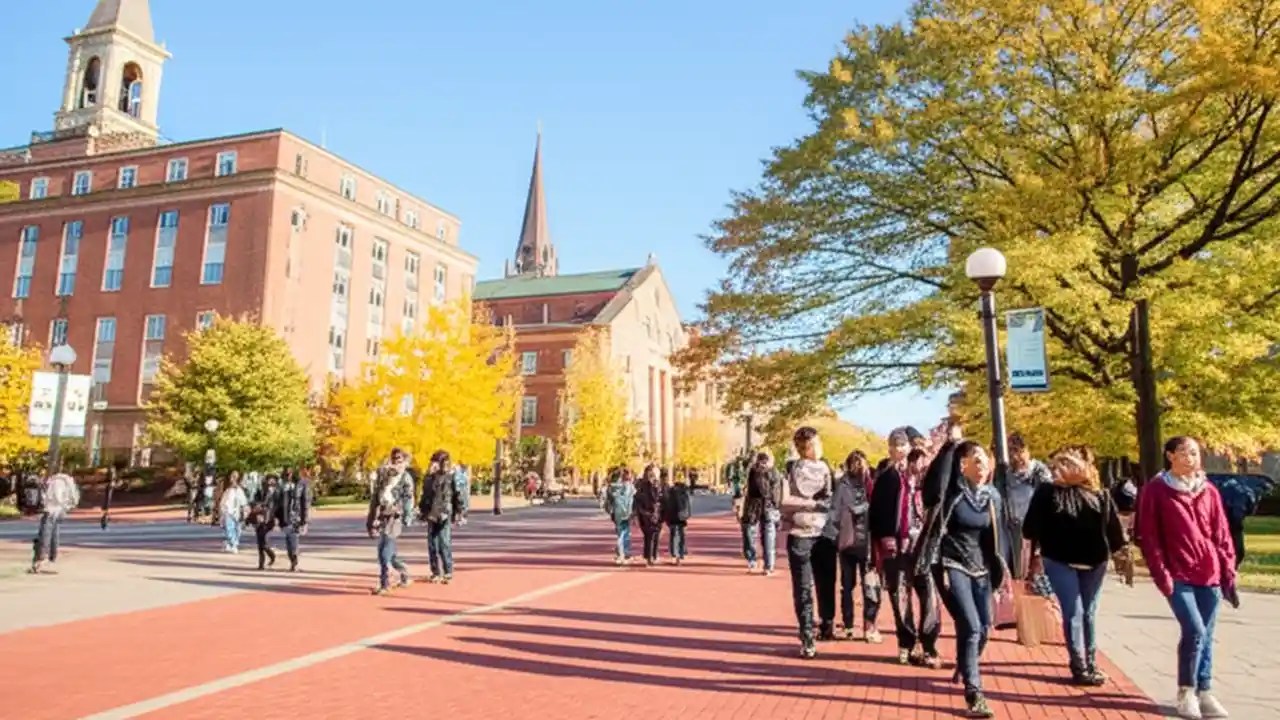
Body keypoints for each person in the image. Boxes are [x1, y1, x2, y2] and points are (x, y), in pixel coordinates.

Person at [1137, 437, 1236, 720]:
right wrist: (1162, 575)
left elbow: (1222, 534)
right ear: (1170, 456)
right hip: (1178, 575)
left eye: (1195, 453)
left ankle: (1205, 691)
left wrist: (1227, 568)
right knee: (1194, 631)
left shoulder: (1209, 491)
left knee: (1206, 635)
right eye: (1184, 452)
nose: (1191, 458)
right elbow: (1150, 537)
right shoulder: (1157, 490)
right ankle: (1186, 691)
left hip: (1210, 575)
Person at [1021, 446, 1129, 686]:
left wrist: (1121, 553)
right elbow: (1029, 529)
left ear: (1081, 469)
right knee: (1074, 612)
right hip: (1060, 560)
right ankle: (1079, 666)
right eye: (1055, 466)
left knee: (1089, 612)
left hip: (1095, 561)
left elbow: (1113, 531)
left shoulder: (1100, 495)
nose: (1056, 471)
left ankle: (1091, 662)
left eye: (1064, 465)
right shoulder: (1047, 493)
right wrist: (1038, 550)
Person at [915, 440, 1005, 719]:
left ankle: (965, 665)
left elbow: (1000, 539)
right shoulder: (953, 494)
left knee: (984, 628)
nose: (982, 466)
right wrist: (948, 448)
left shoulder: (992, 497)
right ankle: (974, 693)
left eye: (985, 461)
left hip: (982, 569)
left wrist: (1005, 572)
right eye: (975, 461)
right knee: (971, 625)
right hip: (953, 564)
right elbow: (932, 491)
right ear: (963, 465)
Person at [869, 431, 940, 667]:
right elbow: (876, 512)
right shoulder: (887, 477)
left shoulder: (928, 476)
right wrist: (883, 539)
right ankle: (906, 643)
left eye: (904, 446)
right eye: (895, 446)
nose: (901, 451)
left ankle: (928, 643)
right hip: (896, 544)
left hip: (923, 543)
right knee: (899, 594)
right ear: (889, 449)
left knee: (928, 592)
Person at [780, 426, 834, 659]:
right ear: (809, 447)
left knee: (811, 586)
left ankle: (814, 631)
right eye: (818, 443)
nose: (821, 447)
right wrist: (815, 505)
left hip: (813, 533)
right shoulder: (798, 470)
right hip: (811, 532)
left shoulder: (813, 469)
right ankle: (814, 630)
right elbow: (784, 501)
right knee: (816, 584)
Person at [831, 450, 882, 642]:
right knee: (861, 586)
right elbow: (842, 511)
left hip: (858, 542)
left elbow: (835, 512)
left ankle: (858, 625)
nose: (859, 468)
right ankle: (858, 626)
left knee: (857, 586)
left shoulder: (853, 484)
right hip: (855, 542)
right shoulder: (857, 485)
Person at [997, 433, 1052, 579]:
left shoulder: (1039, 473)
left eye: (1018, 451)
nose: (1016, 457)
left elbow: (1049, 502)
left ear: (1027, 451)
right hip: (1013, 528)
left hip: (1034, 532)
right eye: (1011, 452)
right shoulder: (1006, 474)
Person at [368, 449, 414, 595]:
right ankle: (403, 571)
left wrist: (407, 515)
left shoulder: (406, 478)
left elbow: (408, 499)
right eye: (394, 460)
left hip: (395, 517)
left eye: (400, 461)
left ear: (405, 463)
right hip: (383, 515)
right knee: (388, 553)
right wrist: (371, 519)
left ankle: (384, 583)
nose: (396, 464)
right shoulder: (384, 475)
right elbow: (375, 498)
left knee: (384, 550)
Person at [420, 450, 464, 583]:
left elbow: (457, 496)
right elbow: (425, 496)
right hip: (431, 514)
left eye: (435, 461)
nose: (433, 464)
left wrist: (459, 512)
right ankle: (435, 572)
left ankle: (448, 571)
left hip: (444, 513)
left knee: (444, 543)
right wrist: (422, 511)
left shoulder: (450, 477)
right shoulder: (429, 478)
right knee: (432, 544)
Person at [29, 471, 80, 575]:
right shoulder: (68, 480)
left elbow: (55, 496)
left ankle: (41, 558)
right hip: (60, 510)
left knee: (45, 533)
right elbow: (74, 499)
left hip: (52, 510)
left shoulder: (57, 481)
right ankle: (52, 556)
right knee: (54, 532)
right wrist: (66, 507)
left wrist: (47, 503)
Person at [742, 451, 782, 575]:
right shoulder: (753, 472)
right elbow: (750, 490)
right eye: (761, 460)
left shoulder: (773, 472)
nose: (763, 463)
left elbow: (775, 491)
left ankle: (768, 565)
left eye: (765, 460)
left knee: (768, 536)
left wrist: (776, 506)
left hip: (768, 506)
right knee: (749, 532)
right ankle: (752, 559)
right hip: (753, 506)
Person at [275, 469, 312, 572]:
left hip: (296, 517)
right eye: (287, 473)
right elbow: (277, 504)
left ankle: (294, 561)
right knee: (288, 540)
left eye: (291, 473)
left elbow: (305, 503)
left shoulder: (302, 485)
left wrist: (304, 520)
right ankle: (293, 560)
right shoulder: (281, 486)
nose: (289, 475)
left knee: (293, 538)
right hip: (284, 517)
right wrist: (277, 518)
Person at [604, 468, 637, 564]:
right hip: (627, 511)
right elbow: (634, 498)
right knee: (625, 533)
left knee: (620, 533)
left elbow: (608, 501)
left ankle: (621, 554)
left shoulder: (611, 487)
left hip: (616, 512)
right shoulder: (630, 487)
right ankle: (624, 554)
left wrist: (610, 511)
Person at [634, 465, 665, 566]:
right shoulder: (645, 485)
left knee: (653, 535)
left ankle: (652, 555)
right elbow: (639, 499)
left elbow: (664, 499)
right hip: (647, 513)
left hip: (656, 513)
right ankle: (649, 557)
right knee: (650, 535)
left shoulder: (659, 485)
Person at [250, 474, 280, 570]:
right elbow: (254, 501)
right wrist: (257, 506)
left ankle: (271, 555)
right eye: (268, 482)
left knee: (264, 542)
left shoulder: (276, 493)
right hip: (259, 518)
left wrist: (277, 518)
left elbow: (277, 506)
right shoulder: (260, 491)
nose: (270, 484)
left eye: (272, 482)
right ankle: (261, 564)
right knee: (259, 542)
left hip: (269, 519)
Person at [665, 471, 692, 564]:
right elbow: (688, 504)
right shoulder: (684, 491)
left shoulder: (671, 490)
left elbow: (668, 504)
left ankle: (674, 554)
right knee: (681, 534)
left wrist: (666, 517)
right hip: (682, 516)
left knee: (674, 535)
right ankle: (680, 553)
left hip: (673, 516)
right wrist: (688, 514)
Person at [219, 472, 250, 554]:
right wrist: (222, 510)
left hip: (238, 513)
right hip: (228, 512)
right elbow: (223, 502)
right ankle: (233, 544)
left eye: (235, 477)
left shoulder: (240, 491)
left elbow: (244, 502)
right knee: (229, 529)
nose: (233, 479)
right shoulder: (228, 490)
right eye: (232, 477)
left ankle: (231, 543)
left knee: (238, 529)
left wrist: (245, 510)